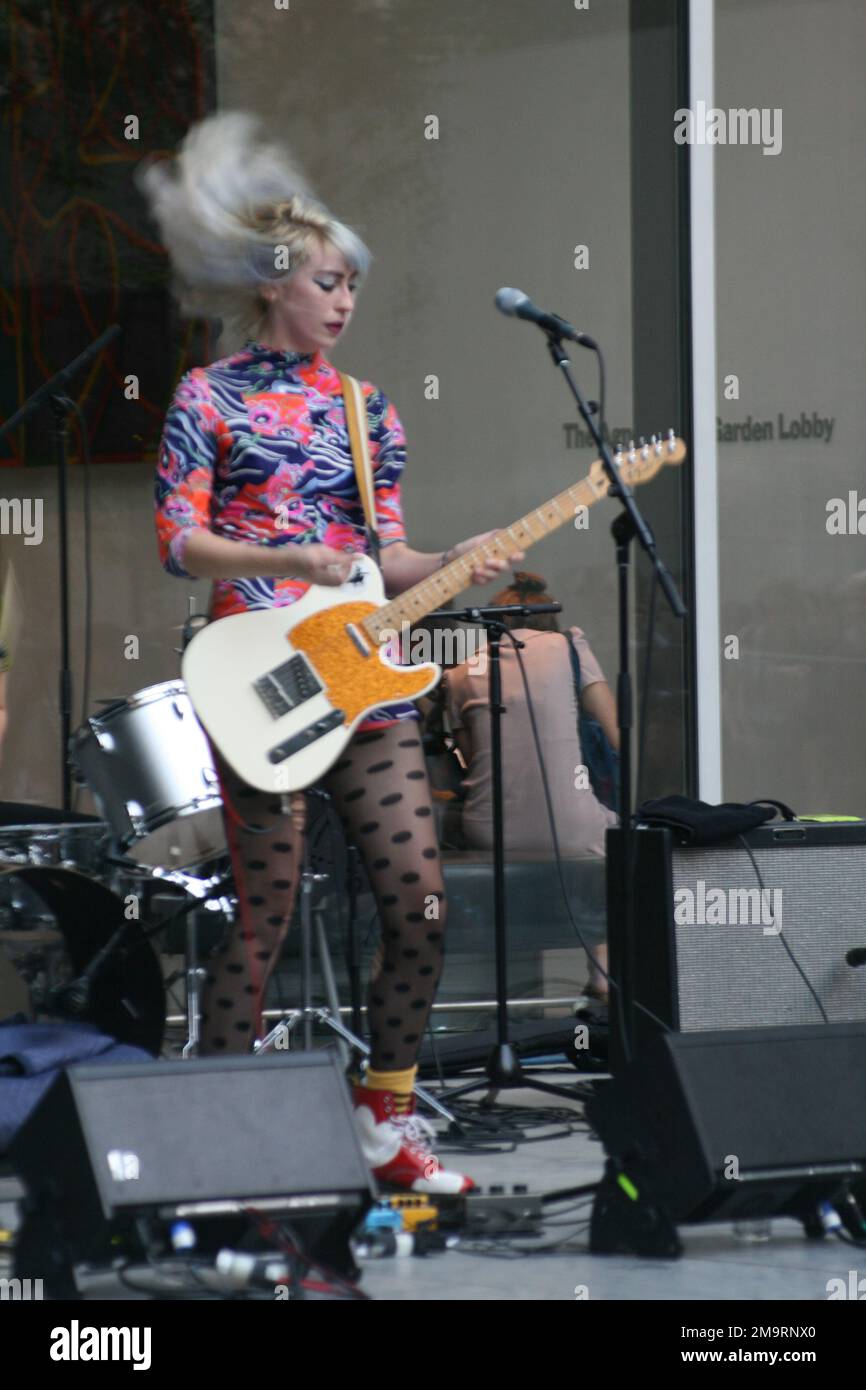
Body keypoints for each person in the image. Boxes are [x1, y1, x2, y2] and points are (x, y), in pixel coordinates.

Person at [142, 112, 522, 1194]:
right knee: (263, 912)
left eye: (351, 282)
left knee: (419, 897)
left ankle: (381, 1126)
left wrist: (456, 557)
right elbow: (178, 539)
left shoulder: (368, 414)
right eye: (324, 280)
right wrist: (287, 556)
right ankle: (215, 1131)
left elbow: (388, 555)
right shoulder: (205, 398)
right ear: (271, 285)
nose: (344, 299)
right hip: (255, 672)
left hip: (362, 673)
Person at [445, 572, 618, 1001]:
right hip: (573, 829)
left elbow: (470, 761)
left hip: (491, 832)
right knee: (620, 845)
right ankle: (602, 969)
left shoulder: (461, 672)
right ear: (549, 621)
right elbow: (618, 734)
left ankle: (499, 991)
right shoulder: (570, 646)